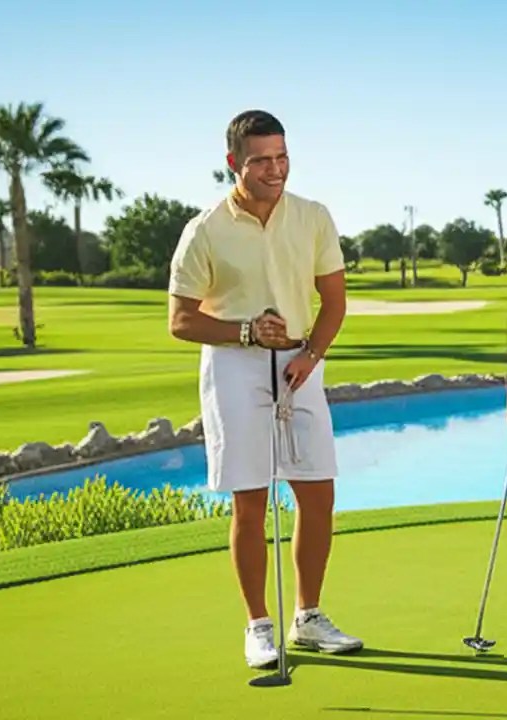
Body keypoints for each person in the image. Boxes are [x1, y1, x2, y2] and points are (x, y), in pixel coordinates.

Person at [168, 109, 363, 670]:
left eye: (282, 157)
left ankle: (309, 616)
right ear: (234, 163)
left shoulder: (312, 217)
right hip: (234, 366)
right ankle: (258, 626)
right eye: (261, 160)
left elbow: (335, 302)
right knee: (250, 500)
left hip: (301, 363)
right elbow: (180, 320)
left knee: (318, 493)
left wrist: (310, 355)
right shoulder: (205, 228)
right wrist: (247, 332)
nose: (275, 170)